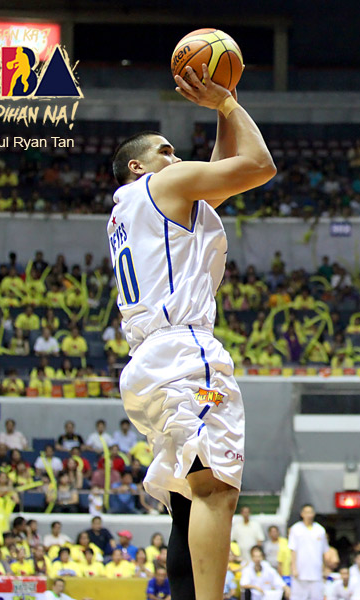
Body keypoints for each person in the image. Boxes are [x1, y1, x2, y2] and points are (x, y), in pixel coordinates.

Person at [109, 60, 274, 600]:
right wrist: (226, 104)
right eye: (166, 151)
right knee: (215, 492)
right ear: (139, 166)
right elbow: (257, 165)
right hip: (183, 351)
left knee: (187, 499)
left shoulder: (136, 210)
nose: (177, 157)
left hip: (149, 361)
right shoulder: (165, 185)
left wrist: (225, 100)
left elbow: (222, 168)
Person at [288, 504, 330, 600]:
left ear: (314, 514)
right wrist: (294, 568)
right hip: (300, 572)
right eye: (306, 512)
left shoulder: (320, 530)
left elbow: (324, 551)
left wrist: (325, 568)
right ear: (302, 514)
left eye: (310, 512)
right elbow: (293, 550)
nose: (309, 515)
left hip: (316, 572)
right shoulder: (295, 529)